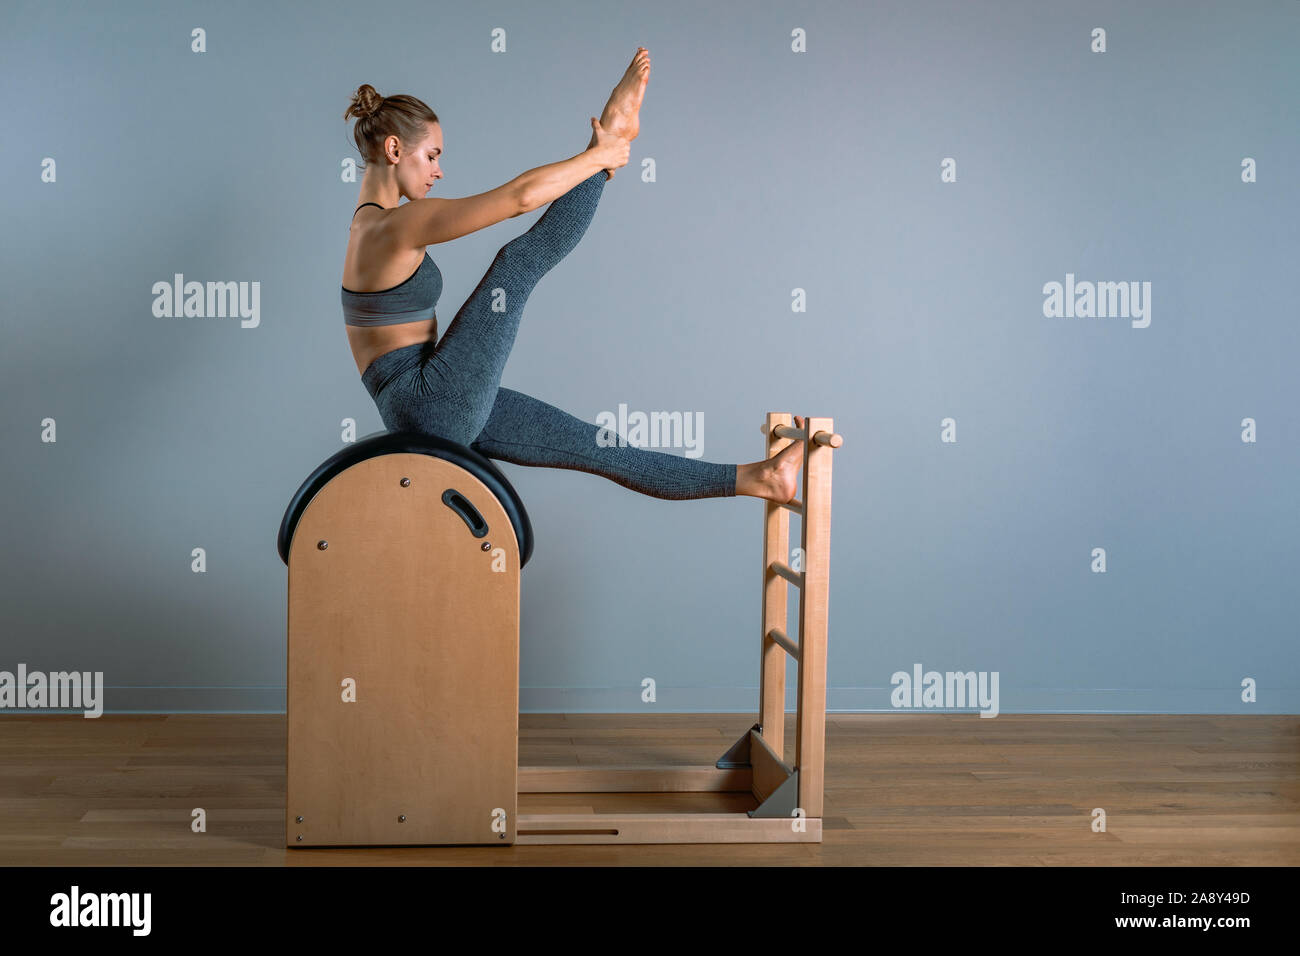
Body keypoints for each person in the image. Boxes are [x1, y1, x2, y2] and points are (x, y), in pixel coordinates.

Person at [340, 48, 803, 502]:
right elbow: (519, 198)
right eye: (433, 156)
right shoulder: (392, 227)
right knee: (517, 263)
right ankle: (615, 135)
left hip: (429, 405)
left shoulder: (372, 226)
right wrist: (597, 158)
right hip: (431, 403)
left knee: (596, 446)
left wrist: (596, 161)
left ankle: (759, 479)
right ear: (395, 149)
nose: (439, 171)